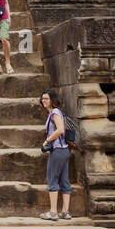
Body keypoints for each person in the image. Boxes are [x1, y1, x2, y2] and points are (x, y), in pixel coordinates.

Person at [40, 89, 73, 221]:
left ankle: (53, 212)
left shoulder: (54, 112)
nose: (43, 101)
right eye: (42, 99)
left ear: (52, 100)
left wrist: (47, 140)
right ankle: (65, 212)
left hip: (58, 151)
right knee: (64, 180)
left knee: (52, 179)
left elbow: (60, 130)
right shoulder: (56, 112)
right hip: (64, 150)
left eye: (46, 99)